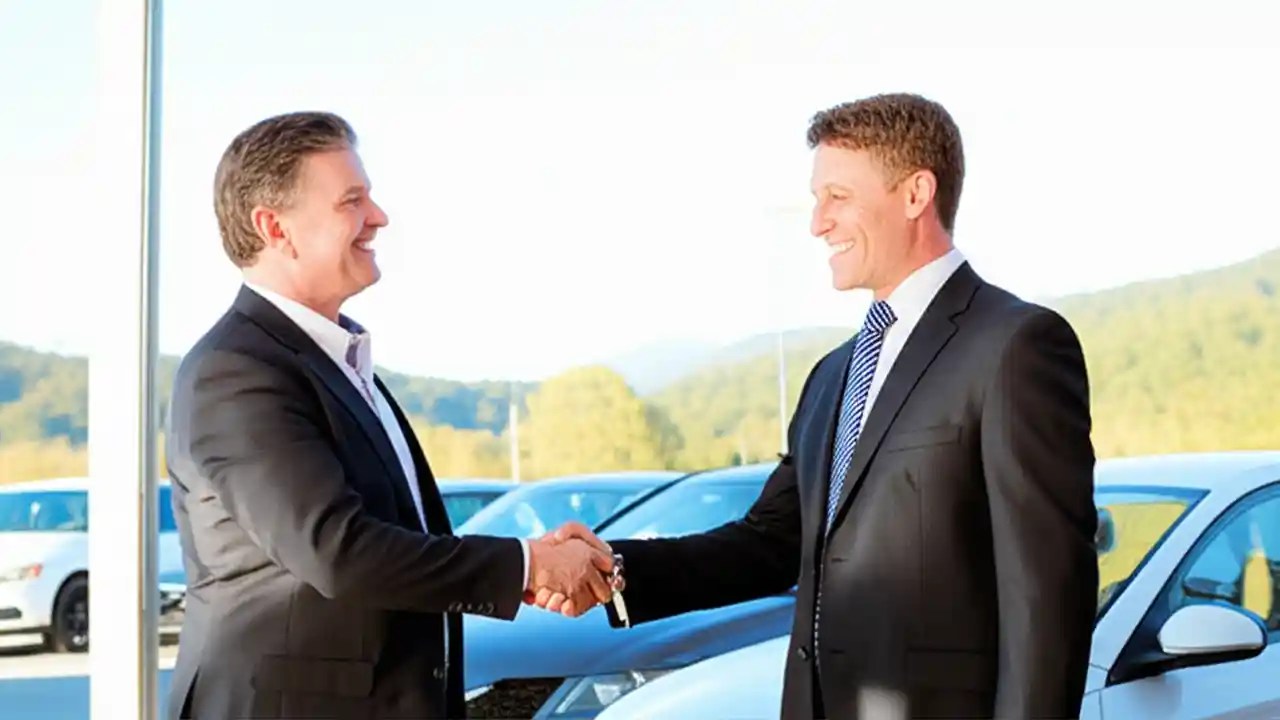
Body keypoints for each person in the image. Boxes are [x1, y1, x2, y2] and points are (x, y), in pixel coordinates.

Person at [539, 93, 1098, 719]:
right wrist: (615, 569)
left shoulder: (1015, 346)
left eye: (838, 196)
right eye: (816, 199)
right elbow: (769, 542)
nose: (817, 223)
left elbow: (1047, 594)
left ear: (916, 194)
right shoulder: (834, 373)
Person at [164, 111, 612, 720]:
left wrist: (527, 568)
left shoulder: (336, 360)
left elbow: (402, 546)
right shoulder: (236, 372)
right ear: (276, 228)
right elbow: (339, 550)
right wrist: (528, 564)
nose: (378, 217)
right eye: (353, 200)